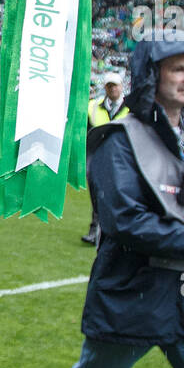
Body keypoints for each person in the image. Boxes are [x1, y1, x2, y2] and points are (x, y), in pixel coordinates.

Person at [0, 37, 184, 368]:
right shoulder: (118, 139)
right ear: (153, 75)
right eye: (179, 69)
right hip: (136, 294)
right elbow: (125, 223)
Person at [82, 70, 128, 245]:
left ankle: (115, 231)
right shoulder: (93, 106)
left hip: (121, 158)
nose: (112, 89)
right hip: (97, 156)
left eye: (115, 85)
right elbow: (86, 132)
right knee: (96, 194)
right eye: (109, 86)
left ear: (121, 87)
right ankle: (96, 231)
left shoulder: (132, 107)